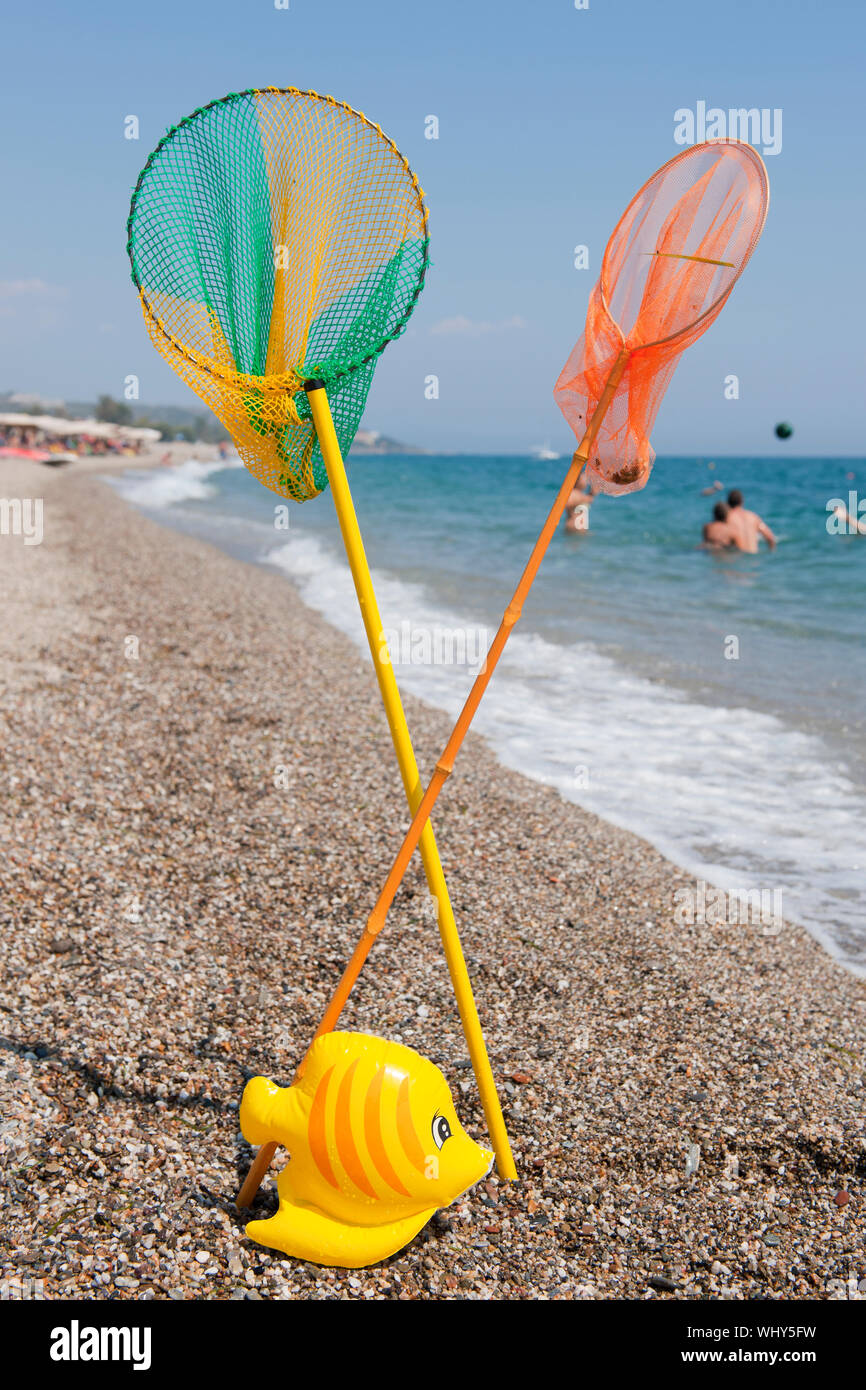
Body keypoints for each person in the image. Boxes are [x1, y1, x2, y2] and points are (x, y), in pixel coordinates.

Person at [564, 465, 596, 533]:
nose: (586, 482)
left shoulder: (581, 494)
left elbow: (589, 499)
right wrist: (587, 498)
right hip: (572, 529)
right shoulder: (573, 492)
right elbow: (567, 503)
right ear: (577, 480)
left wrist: (592, 493)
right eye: (584, 479)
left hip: (579, 530)